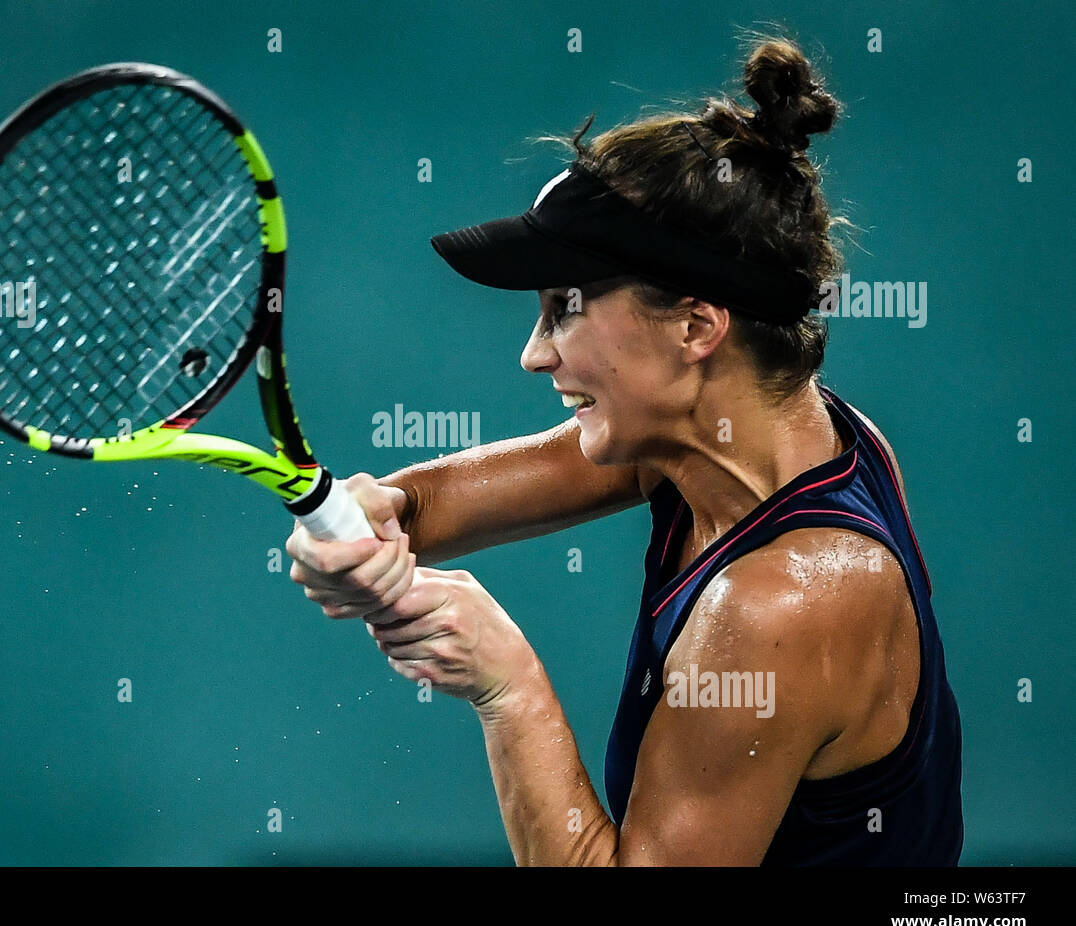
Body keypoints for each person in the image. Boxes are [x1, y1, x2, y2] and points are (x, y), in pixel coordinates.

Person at [286, 36, 963, 866]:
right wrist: (372, 520)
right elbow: (435, 505)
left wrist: (509, 689)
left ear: (696, 326)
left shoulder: (777, 604)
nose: (535, 354)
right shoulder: (740, 439)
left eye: (563, 311)